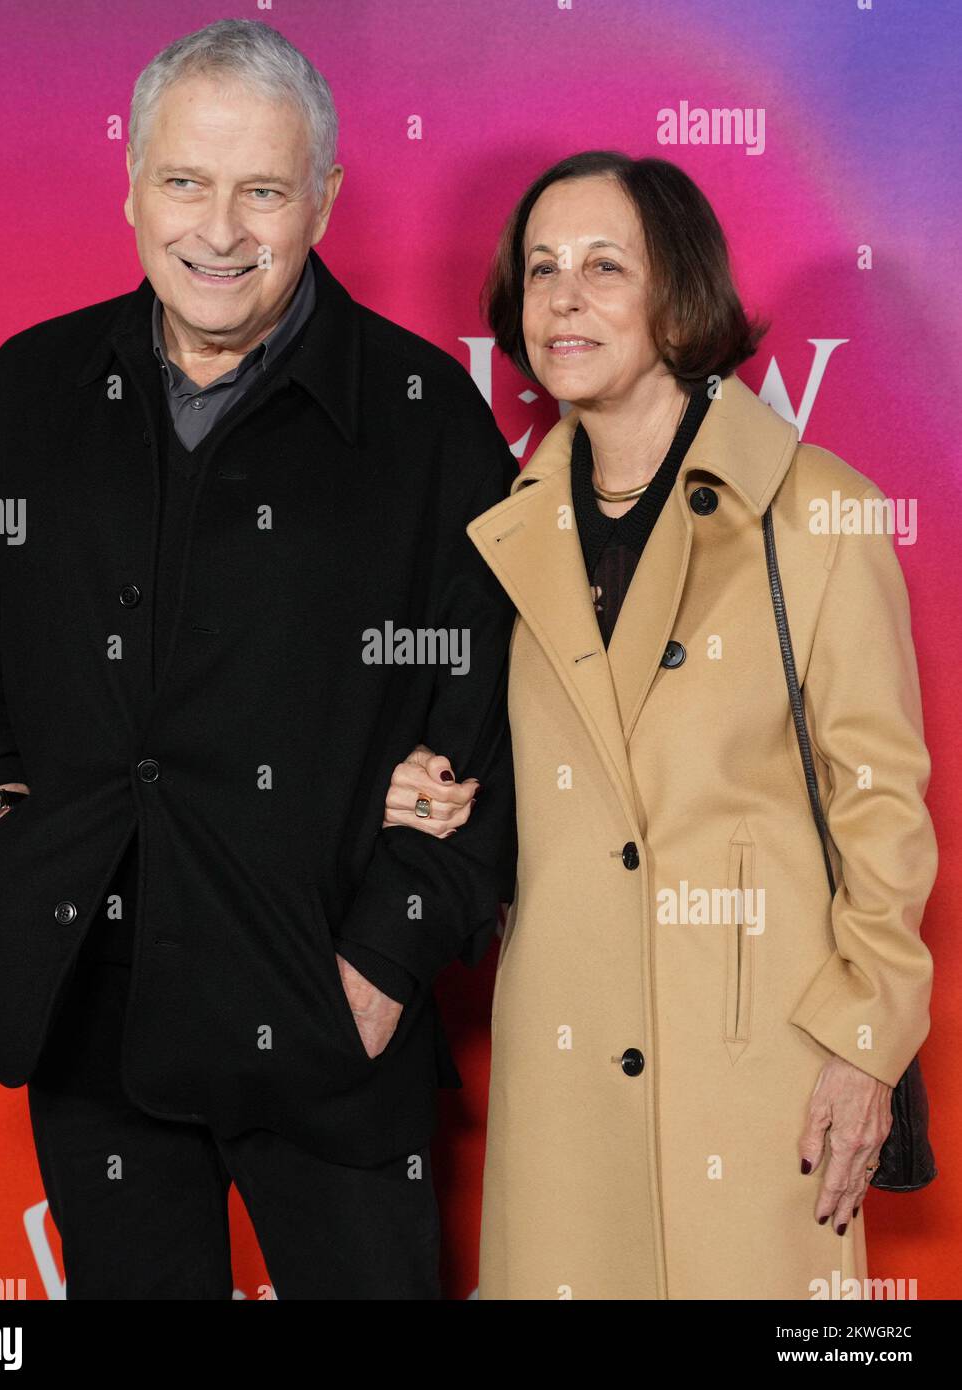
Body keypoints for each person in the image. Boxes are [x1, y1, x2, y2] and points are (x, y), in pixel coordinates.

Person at [0, 19, 517, 1300]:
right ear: (131, 183)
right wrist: (1, 805)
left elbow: (488, 708)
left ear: (325, 199)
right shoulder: (26, 391)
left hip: (324, 1001)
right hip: (92, 998)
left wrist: (380, 966)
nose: (219, 230)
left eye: (263, 189)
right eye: (185, 181)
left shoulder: (423, 421)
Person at [383, 150, 937, 1299]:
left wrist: (863, 1044)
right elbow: (495, 767)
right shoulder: (502, 533)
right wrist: (421, 787)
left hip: (761, 1068)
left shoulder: (815, 510)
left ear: (678, 291)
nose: (561, 299)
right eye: (539, 270)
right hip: (566, 1069)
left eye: (601, 266)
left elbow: (880, 804)